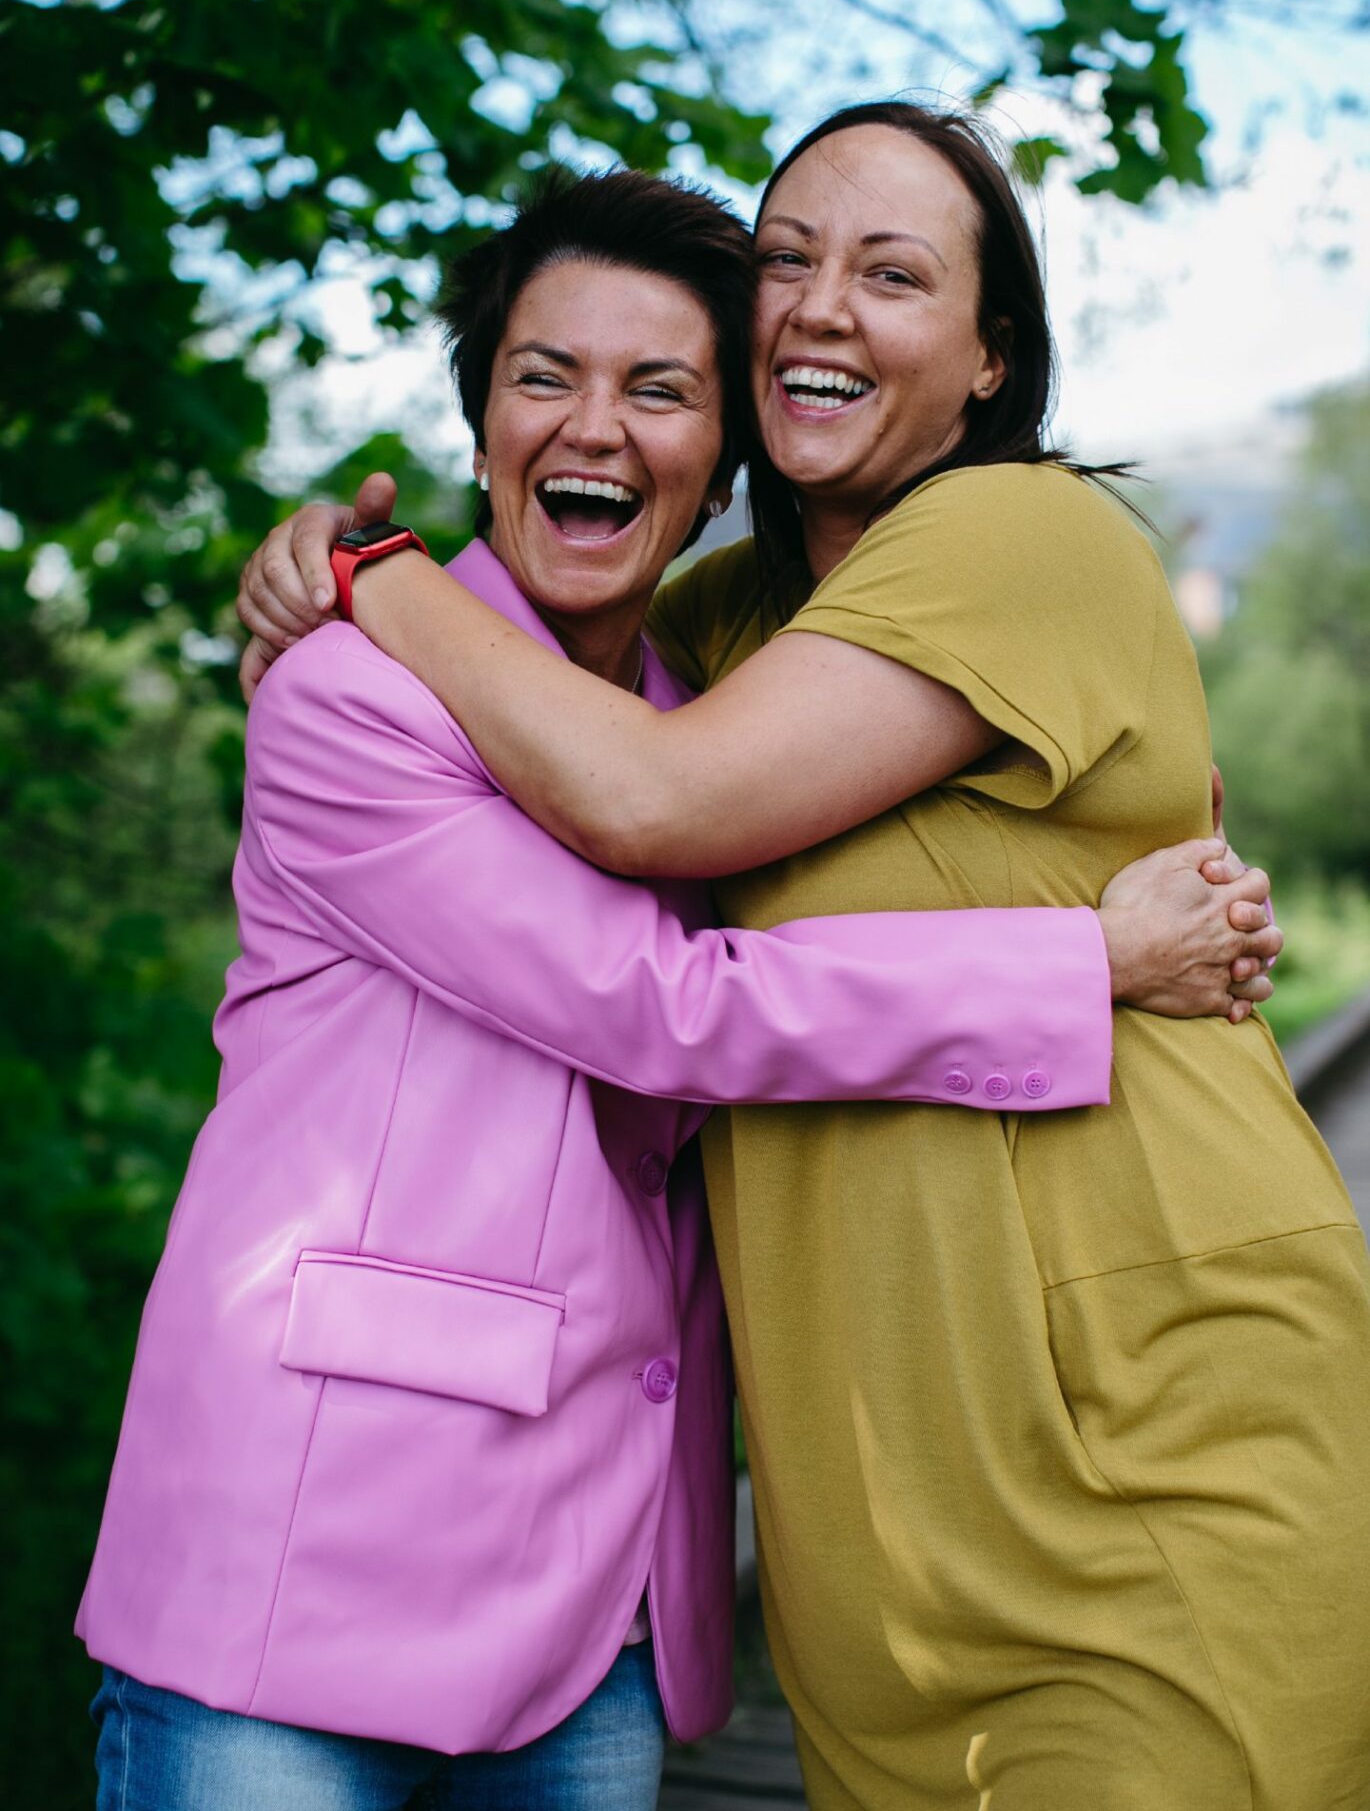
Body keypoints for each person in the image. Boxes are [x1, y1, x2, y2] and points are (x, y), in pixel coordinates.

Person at [81, 168, 1271, 1811]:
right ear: (482, 426)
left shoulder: (706, 727)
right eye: (543, 377)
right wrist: (1093, 957)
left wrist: (1141, 838)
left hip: (593, 1611)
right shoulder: (350, 701)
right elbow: (663, 1005)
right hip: (295, 1575)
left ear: (723, 460)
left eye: (659, 390)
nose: (595, 429)